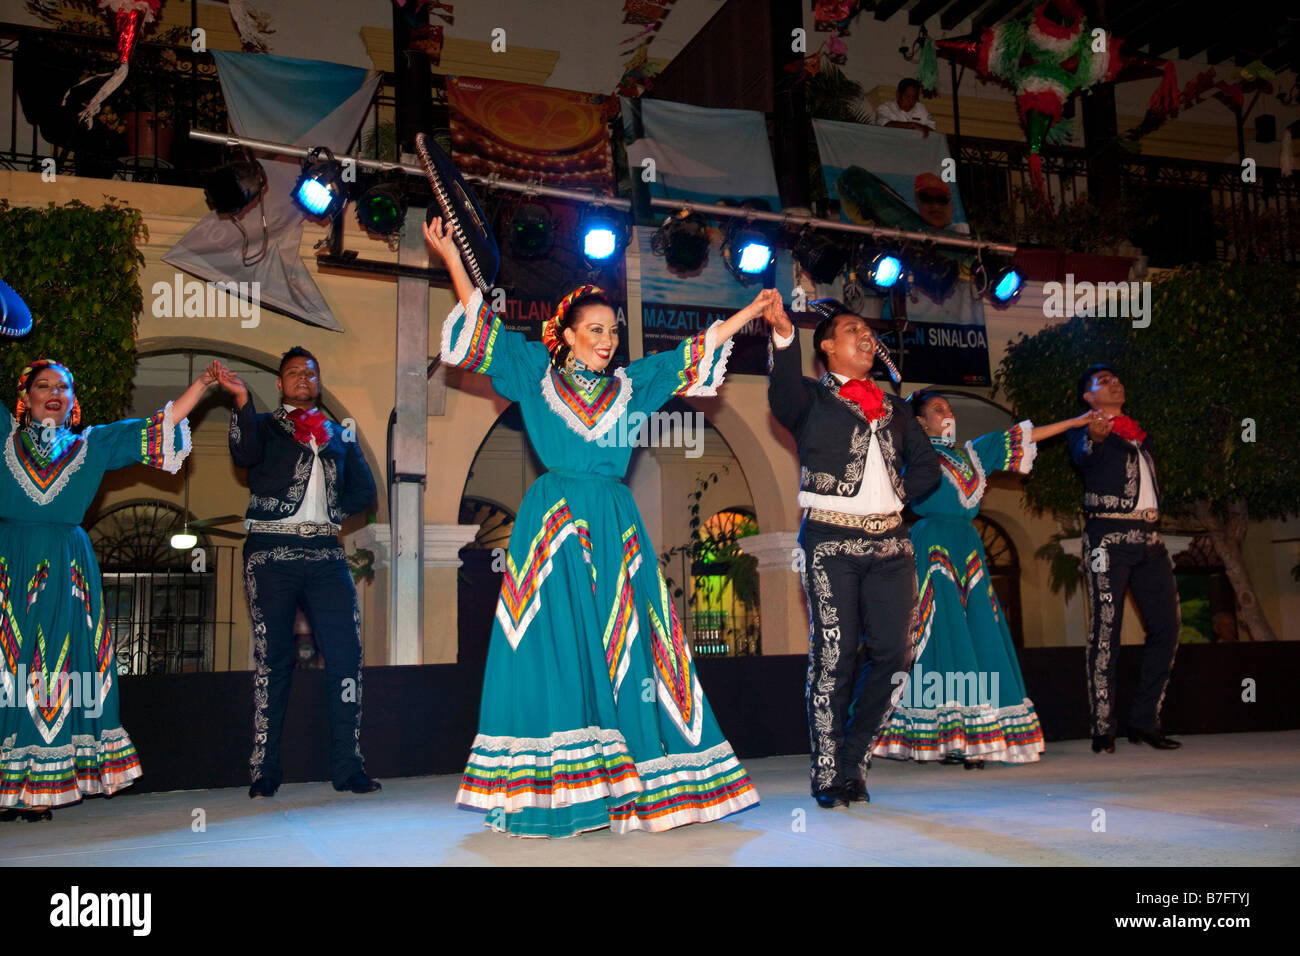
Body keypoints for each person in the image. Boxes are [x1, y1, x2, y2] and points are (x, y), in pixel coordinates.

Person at [426, 217, 765, 837]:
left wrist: (750, 312)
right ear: (567, 336)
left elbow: (694, 352)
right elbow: (483, 326)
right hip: (553, 524)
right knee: (551, 645)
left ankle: (636, 780)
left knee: (635, 643)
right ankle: (559, 791)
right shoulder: (534, 374)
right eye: (596, 330)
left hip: (614, 522)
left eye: (613, 331)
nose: (608, 340)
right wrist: (452, 255)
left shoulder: (632, 387)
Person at [0, 358, 206, 820]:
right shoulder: (1, 437)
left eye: (64, 387)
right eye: (43, 385)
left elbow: (159, 426)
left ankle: (39, 789)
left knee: (52, 670)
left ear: (73, 402)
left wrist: (202, 384)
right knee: (5, 667)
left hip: (66, 567)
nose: (53, 392)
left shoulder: (91, 446)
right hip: (7, 561)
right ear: (26, 398)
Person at [766, 296, 941, 808]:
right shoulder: (808, 399)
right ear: (826, 346)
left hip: (891, 544)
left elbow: (926, 465)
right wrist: (782, 335)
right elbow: (779, 392)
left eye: (869, 330)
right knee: (835, 654)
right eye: (851, 330)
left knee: (895, 655)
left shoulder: (895, 407)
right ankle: (826, 771)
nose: (865, 336)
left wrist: (898, 499)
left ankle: (854, 761)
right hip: (830, 542)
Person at [873, 390, 1092, 767]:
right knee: (941, 632)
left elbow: (1023, 436)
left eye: (950, 409)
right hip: (932, 544)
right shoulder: (912, 454)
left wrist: (1077, 422)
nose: (948, 414)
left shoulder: (972, 455)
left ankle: (976, 732)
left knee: (977, 633)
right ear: (921, 421)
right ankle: (948, 735)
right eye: (938, 409)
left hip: (968, 546)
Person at [213, 350, 380, 798]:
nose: (303, 379)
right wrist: (241, 401)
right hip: (270, 551)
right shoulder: (264, 426)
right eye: (293, 373)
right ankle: (264, 769)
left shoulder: (339, 433)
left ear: (319, 384)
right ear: (281, 386)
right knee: (275, 657)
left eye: (311, 373)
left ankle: (349, 766)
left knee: (345, 656)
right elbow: (243, 452)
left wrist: (331, 512)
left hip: (326, 552)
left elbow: (365, 489)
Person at [1069, 364, 1182, 753]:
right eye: (1103, 382)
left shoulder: (1138, 433)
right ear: (1087, 397)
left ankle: (1145, 720)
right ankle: (1103, 727)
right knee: (1106, 629)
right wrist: (1095, 439)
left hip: (1150, 541)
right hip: (1106, 542)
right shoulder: (1084, 427)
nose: (1114, 383)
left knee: (1168, 626)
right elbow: (1083, 457)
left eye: (1116, 379)